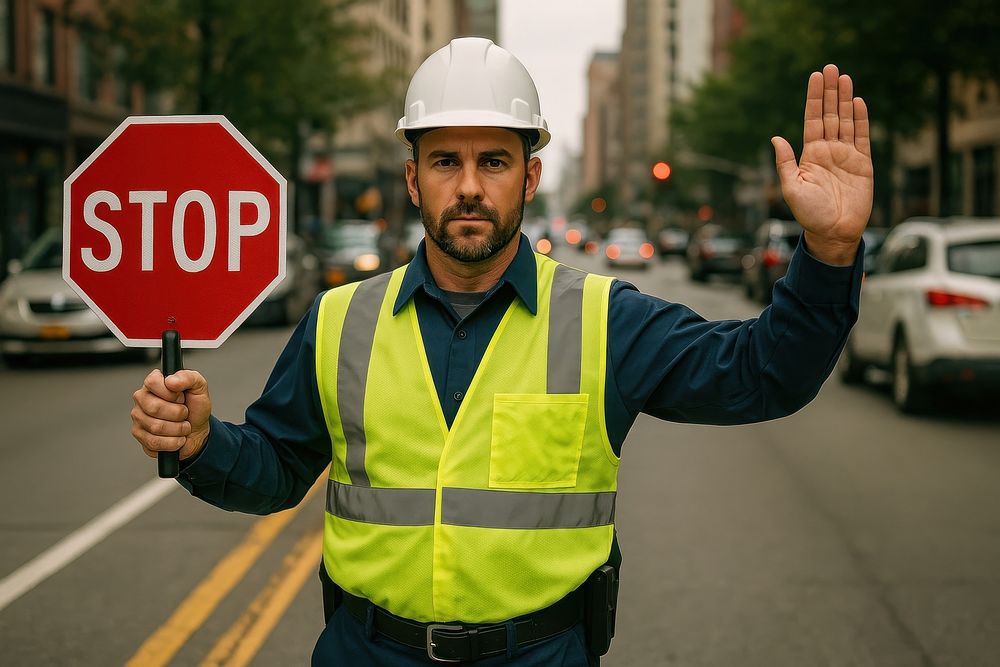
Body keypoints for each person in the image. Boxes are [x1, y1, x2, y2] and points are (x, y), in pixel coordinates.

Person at [131, 37, 873, 666]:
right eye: (445, 160)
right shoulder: (337, 320)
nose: (469, 187)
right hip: (365, 651)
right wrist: (201, 445)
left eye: (494, 161)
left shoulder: (603, 320)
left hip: (542, 653)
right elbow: (274, 470)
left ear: (531, 175)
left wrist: (829, 250)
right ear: (412, 177)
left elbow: (763, 373)